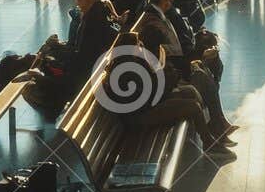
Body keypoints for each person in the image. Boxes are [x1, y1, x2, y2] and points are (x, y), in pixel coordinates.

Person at [100, 32, 233, 156]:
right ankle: (209, 143)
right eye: (137, 44)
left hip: (147, 105)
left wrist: (168, 81)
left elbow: (151, 86)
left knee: (190, 91)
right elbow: (146, 99)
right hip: (139, 117)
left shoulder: (132, 62)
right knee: (193, 106)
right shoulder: (125, 72)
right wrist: (169, 84)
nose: (141, 46)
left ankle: (209, 130)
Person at [137, 0, 233, 139]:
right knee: (202, 75)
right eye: (168, 0)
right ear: (163, 1)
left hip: (170, 72)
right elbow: (168, 54)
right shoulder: (154, 22)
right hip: (170, 75)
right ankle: (216, 126)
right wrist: (196, 58)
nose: (170, 4)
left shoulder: (159, 16)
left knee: (203, 70)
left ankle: (218, 124)